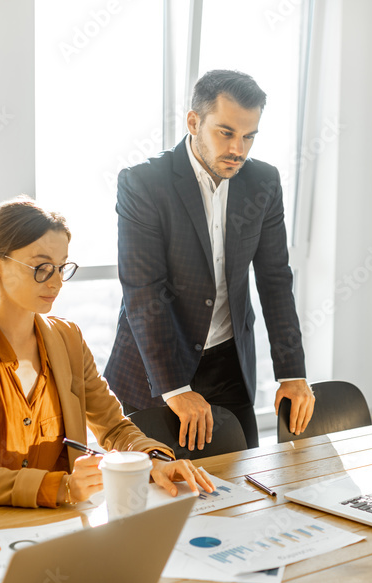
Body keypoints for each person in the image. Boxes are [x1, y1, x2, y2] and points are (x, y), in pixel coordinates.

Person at [0, 197, 213, 513]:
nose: (55, 282)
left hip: (48, 521)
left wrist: (153, 460)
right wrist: (61, 487)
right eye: (41, 268)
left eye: (60, 267)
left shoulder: (68, 339)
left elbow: (113, 427)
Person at [105, 69, 316, 451]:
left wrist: (292, 372)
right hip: (156, 372)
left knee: (245, 488)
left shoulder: (263, 182)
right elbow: (143, 290)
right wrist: (175, 387)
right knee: (160, 500)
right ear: (194, 122)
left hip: (228, 364)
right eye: (226, 132)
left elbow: (275, 279)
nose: (239, 148)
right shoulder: (144, 184)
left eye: (249, 136)